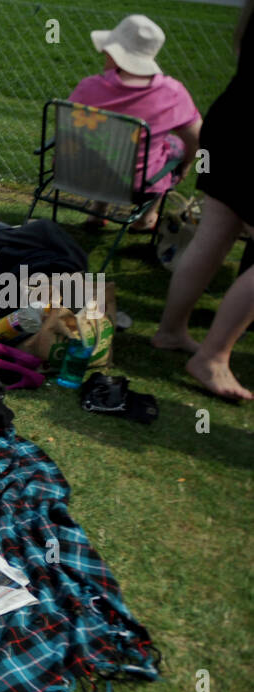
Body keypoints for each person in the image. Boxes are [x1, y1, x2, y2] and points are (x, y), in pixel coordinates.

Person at [151, 0, 254, 401]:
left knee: (214, 233)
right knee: (215, 234)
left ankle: (170, 331)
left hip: (229, 124)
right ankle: (213, 356)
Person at [68, 14, 202, 231]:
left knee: (104, 141)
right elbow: (197, 138)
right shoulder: (171, 93)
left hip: (79, 174)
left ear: (116, 55)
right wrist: (186, 165)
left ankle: (97, 212)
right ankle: (146, 218)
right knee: (173, 146)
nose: (104, 52)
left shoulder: (88, 87)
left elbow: (70, 130)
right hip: (138, 186)